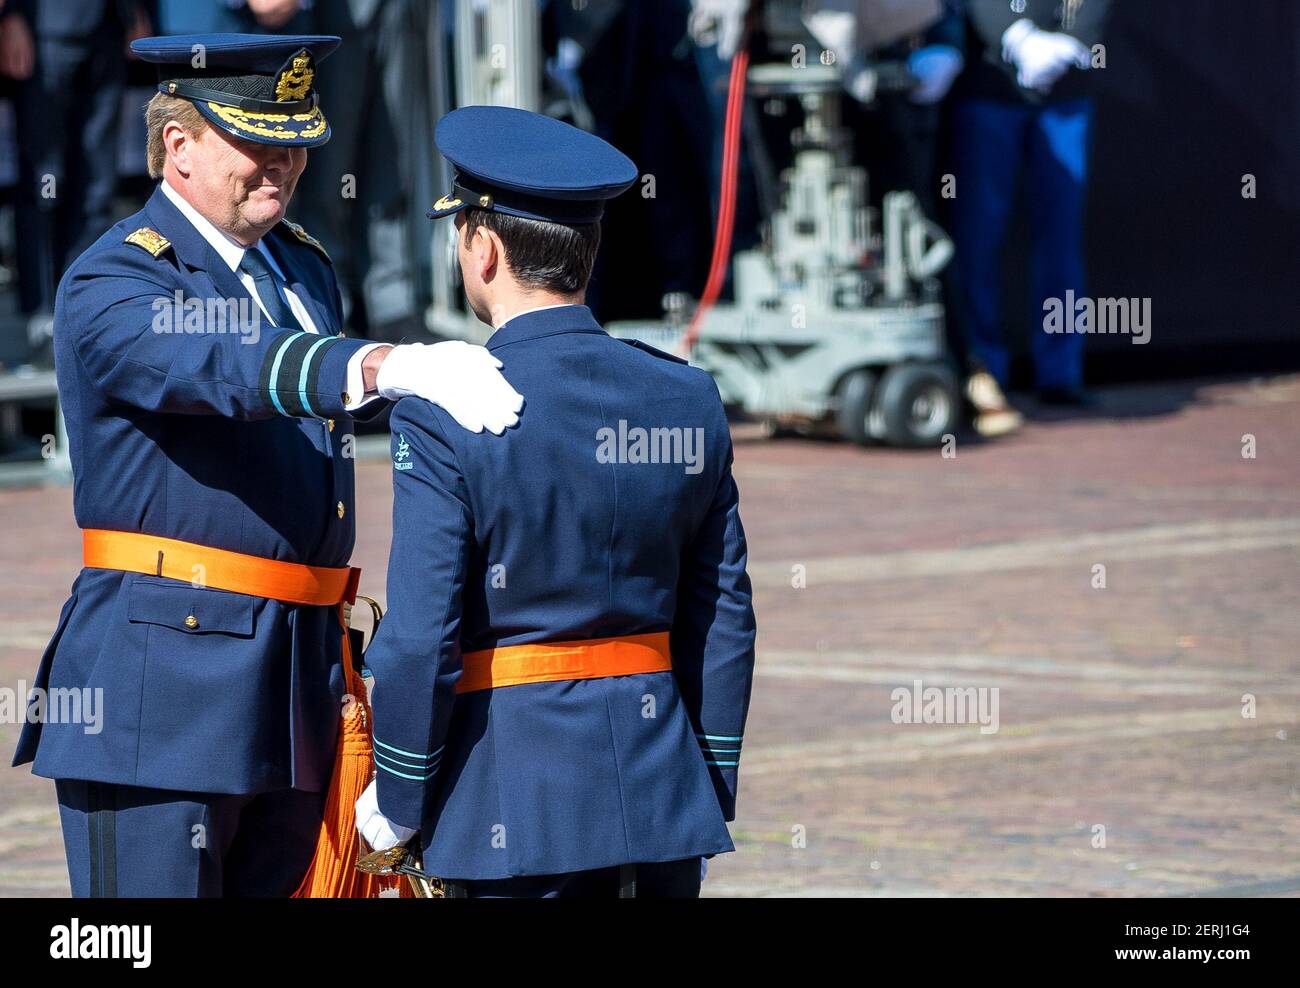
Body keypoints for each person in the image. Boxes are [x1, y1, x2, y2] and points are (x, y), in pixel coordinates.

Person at [10, 34, 523, 898]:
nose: (282, 163)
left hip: (296, 677)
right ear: (179, 147)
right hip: (163, 686)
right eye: (257, 140)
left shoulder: (303, 267)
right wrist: (382, 365)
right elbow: (226, 363)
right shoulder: (115, 279)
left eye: (295, 143)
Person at [354, 106, 757, 898]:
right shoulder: (685, 395)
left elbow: (421, 637)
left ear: (484, 247)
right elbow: (724, 612)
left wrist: (399, 797)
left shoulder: (444, 410)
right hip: (663, 796)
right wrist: (704, 777)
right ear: (590, 249)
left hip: (510, 802)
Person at [951, 0, 1112, 408]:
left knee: (1061, 239)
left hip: (1066, 91)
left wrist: (1071, 44)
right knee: (978, 235)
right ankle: (982, 370)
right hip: (989, 88)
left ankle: (1060, 373)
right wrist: (1016, 37)